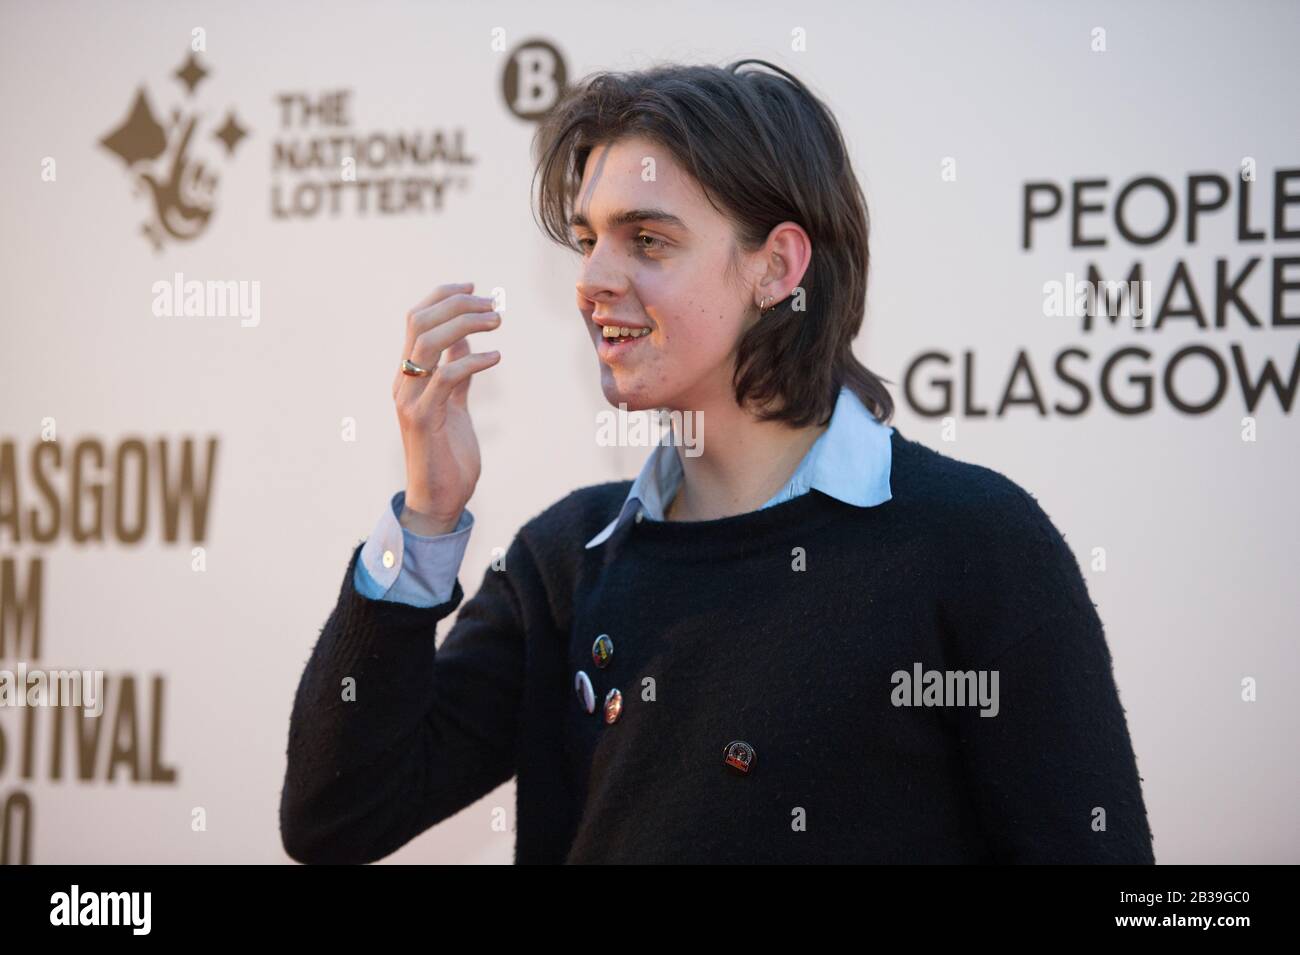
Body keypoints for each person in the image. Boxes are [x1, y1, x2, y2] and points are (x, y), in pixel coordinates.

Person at [279, 59, 1155, 865]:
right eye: (586, 239)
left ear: (776, 267)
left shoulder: (974, 543)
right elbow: (338, 816)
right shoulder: (566, 561)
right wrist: (427, 518)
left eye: (647, 240)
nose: (592, 278)